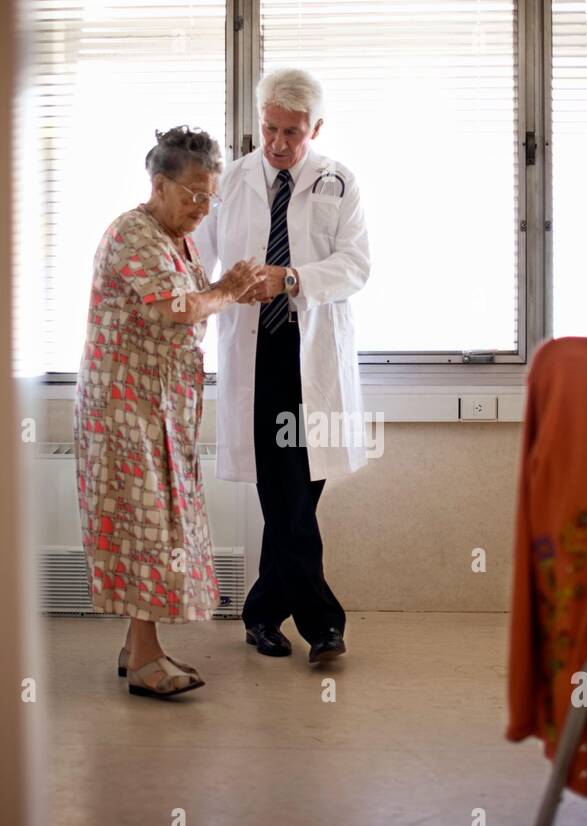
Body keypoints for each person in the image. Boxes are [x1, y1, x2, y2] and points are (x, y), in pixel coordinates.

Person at [75, 126, 263, 698]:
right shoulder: (134, 233)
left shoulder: (172, 236)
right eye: (193, 196)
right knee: (145, 527)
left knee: (158, 525)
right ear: (159, 184)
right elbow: (173, 307)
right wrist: (227, 290)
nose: (203, 209)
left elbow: (188, 297)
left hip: (156, 405)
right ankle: (144, 661)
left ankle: (139, 647)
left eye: (211, 197)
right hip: (124, 408)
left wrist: (232, 288)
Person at [197, 68, 371, 665]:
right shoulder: (231, 182)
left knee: (299, 496)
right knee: (285, 495)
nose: (275, 143)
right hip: (259, 358)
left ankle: (262, 613)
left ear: (314, 128)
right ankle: (325, 626)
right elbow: (197, 257)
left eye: (291, 132)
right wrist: (220, 291)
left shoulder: (338, 182)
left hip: (312, 356)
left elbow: (356, 266)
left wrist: (292, 277)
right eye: (268, 128)